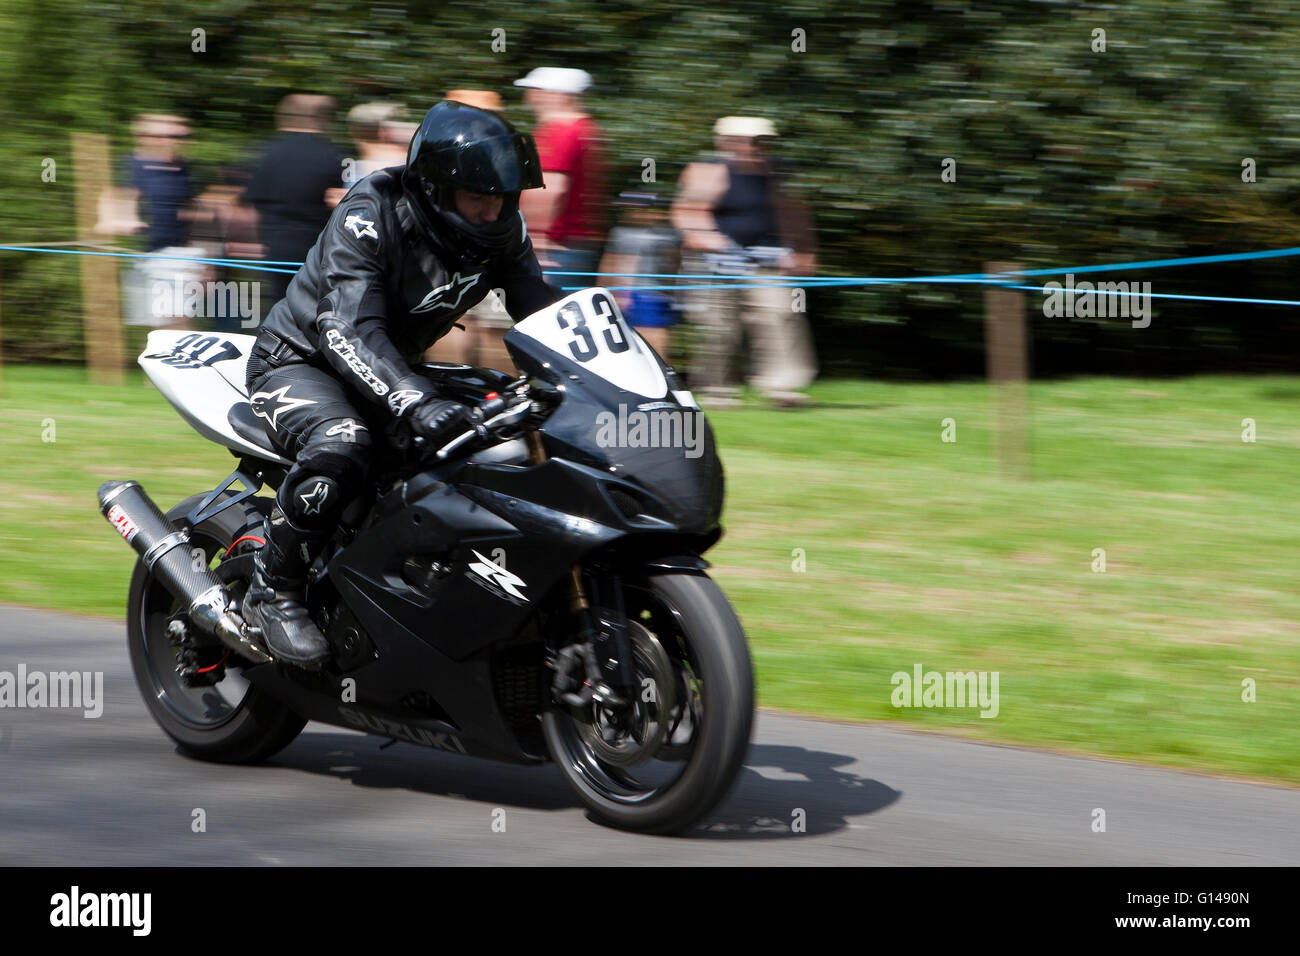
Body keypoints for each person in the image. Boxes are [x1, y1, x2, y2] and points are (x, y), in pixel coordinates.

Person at [241, 100, 562, 667]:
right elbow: (347, 327)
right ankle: (274, 592)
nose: (492, 213)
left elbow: (537, 304)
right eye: (478, 199)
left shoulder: (500, 228)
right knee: (344, 442)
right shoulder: (373, 210)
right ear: (436, 190)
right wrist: (414, 399)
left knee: (507, 425)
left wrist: (604, 366)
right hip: (301, 359)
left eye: (502, 200)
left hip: (395, 367)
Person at [672, 116, 818, 408]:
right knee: (718, 327)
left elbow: (794, 211)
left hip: (767, 259)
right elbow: (687, 214)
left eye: (760, 141)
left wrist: (804, 249)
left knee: (780, 316)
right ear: (725, 142)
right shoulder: (707, 171)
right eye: (745, 140)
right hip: (714, 263)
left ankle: (783, 388)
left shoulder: (776, 172)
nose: (753, 147)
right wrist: (718, 244)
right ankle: (716, 390)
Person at [244, 94, 343, 302]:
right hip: (317, 254)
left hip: (276, 251)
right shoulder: (332, 155)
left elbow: (253, 202)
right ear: (321, 119)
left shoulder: (267, 153)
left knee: (280, 308)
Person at [514, 67, 607, 281]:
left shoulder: (561, 131)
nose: (530, 97)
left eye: (537, 90)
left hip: (553, 247)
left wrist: (535, 240)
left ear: (559, 95)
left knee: (541, 312)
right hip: (575, 245)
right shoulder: (588, 129)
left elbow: (549, 189)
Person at [597, 191, 681, 360]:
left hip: (650, 295)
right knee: (640, 338)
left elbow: (673, 262)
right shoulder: (624, 233)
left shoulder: (662, 234)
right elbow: (612, 263)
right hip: (636, 295)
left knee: (653, 337)